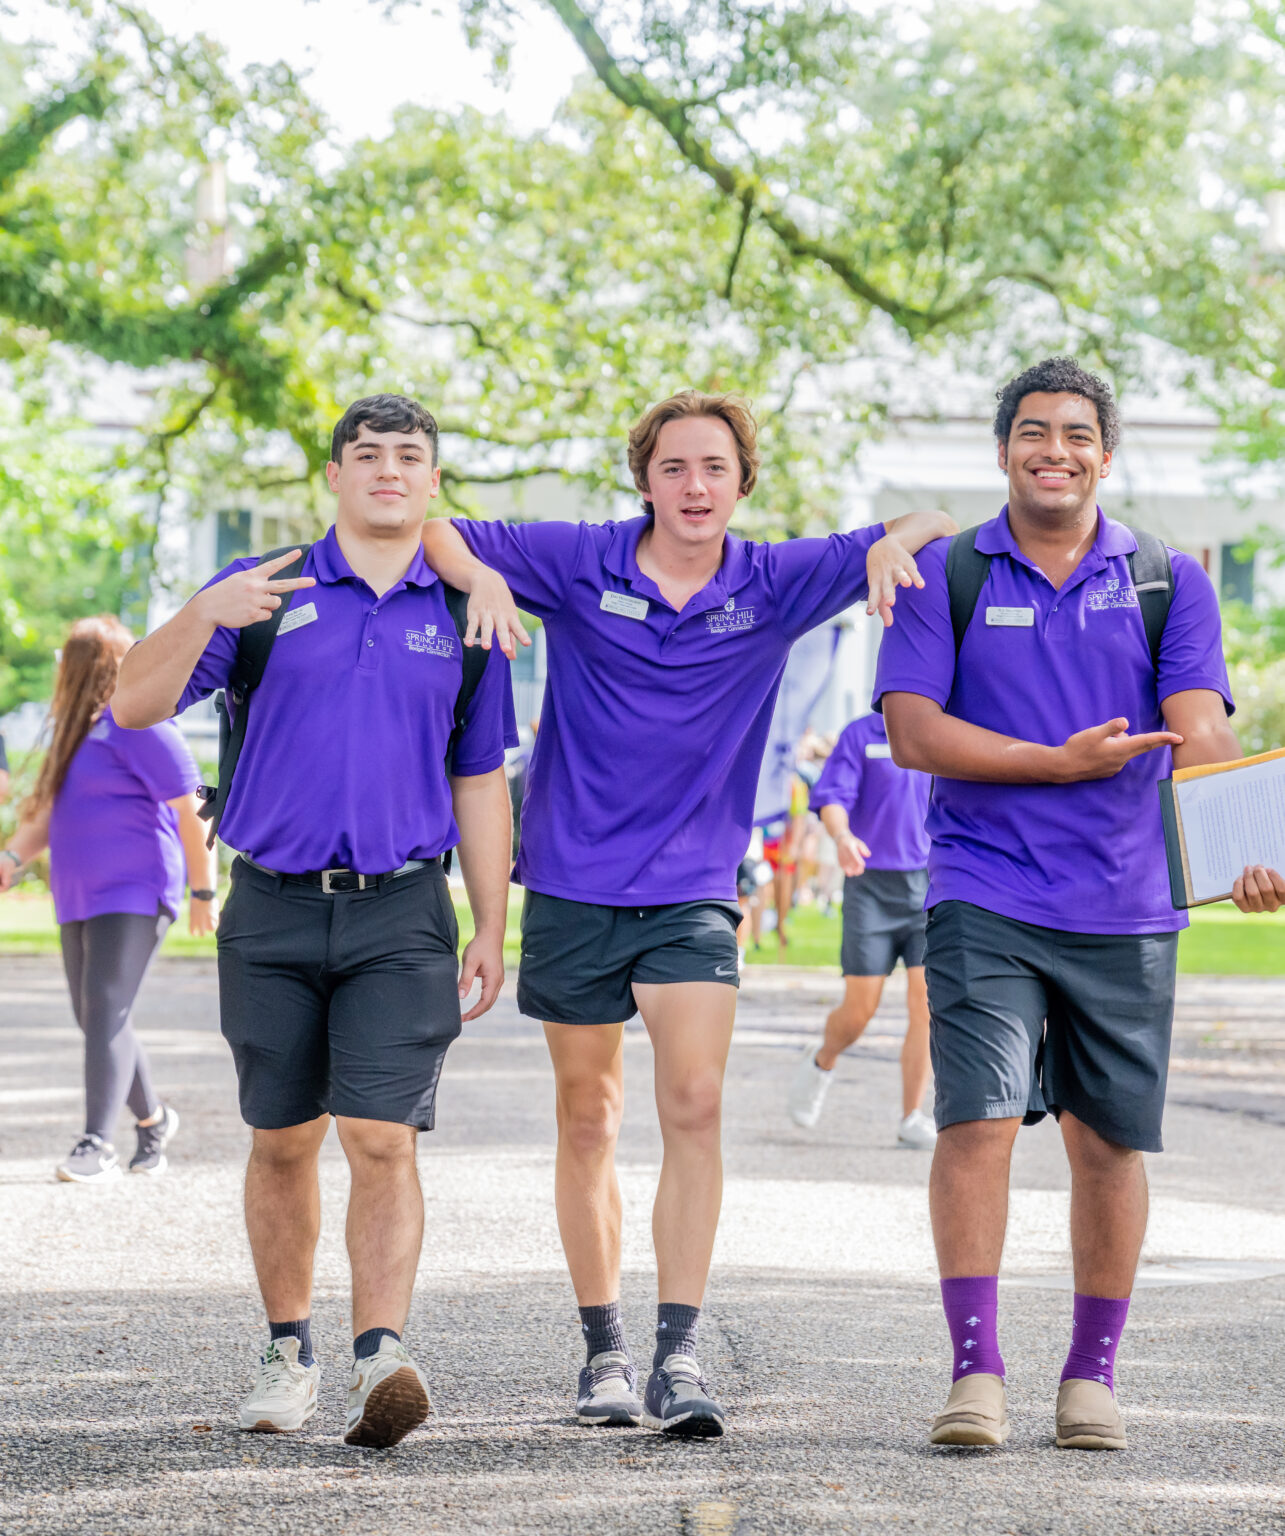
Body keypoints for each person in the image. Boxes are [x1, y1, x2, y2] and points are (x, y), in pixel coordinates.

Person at [418, 388, 957, 1437]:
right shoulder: (581, 561)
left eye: (713, 467)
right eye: (673, 467)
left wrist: (902, 546)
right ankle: (602, 1353)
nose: (693, 486)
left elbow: (925, 519)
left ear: (741, 481)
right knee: (588, 1117)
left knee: (697, 1101)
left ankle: (678, 1352)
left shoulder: (774, 580)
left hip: (694, 890)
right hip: (571, 882)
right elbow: (436, 528)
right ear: (646, 480)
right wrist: (483, 576)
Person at [875, 356, 1283, 1453]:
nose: (1053, 452)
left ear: (1105, 454)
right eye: (1032, 434)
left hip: (1127, 900)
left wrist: (1250, 845)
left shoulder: (1164, 577)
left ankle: (1089, 1378)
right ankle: (976, 1374)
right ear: (1002, 448)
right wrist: (1047, 765)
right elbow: (912, 733)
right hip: (985, 889)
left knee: (1108, 1142)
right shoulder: (946, 571)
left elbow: (1195, 724)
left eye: (1074, 436)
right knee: (977, 1123)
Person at [112, 394, 517, 1449]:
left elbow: (479, 779)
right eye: (368, 455)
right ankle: (287, 1349)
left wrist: (489, 922)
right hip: (273, 908)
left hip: (402, 912)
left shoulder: (468, 614)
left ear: (433, 485)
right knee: (282, 1138)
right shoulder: (263, 592)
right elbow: (131, 704)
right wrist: (204, 609)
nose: (388, 470)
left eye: (410, 457)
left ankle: (380, 1354)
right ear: (334, 476)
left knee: (383, 1136)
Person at [0, 616, 215, 1181]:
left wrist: (202, 890)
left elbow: (189, 811)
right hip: (77, 894)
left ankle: (97, 1142)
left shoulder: (137, 723)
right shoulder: (77, 733)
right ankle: (153, 1121)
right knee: (94, 1014)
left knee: (106, 1010)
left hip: (136, 889)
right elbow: (46, 818)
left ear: (87, 666)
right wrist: (10, 862)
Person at [786, 710, 935, 1148]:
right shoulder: (862, 734)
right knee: (858, 1011)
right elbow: (832, 797)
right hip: (870, 887)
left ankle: (912, 1116)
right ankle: (822, 1060)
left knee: (926, 1005)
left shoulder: (936, 726)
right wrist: (842, 837)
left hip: (928, 887)